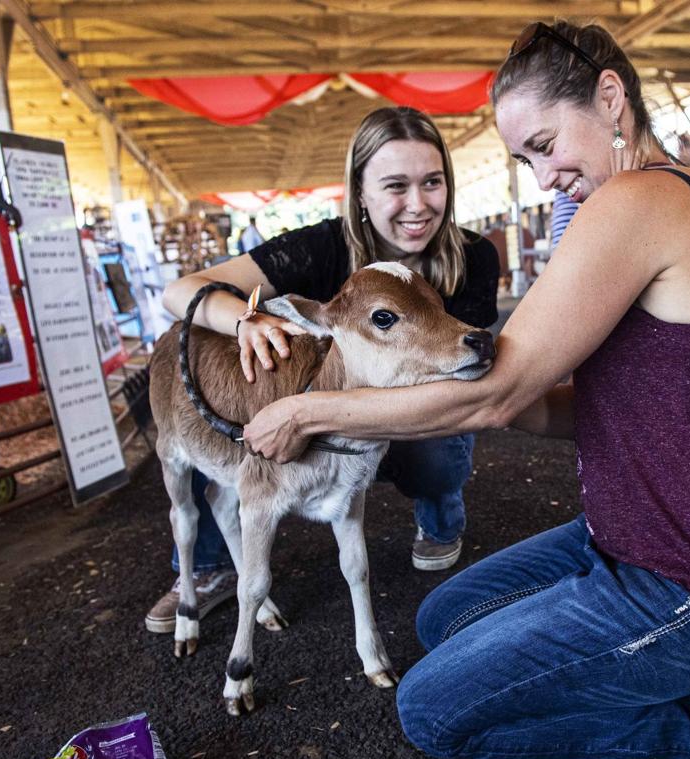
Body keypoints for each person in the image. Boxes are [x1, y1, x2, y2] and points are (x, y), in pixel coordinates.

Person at [240, 21, 690, 759]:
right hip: (631, 537)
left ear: (610, 97)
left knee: (432, 712)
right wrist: (468, 387)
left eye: (544, 145)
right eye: (523, 158)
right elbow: (571, 408)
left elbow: (499, 390)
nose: (541, 177)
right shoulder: (647, 199)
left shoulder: (640, 200)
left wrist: (308, 411)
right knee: (443, 621)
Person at [143, 106, 499, 634]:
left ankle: (440, 514)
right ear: (360, 192)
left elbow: (468, 385)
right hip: (330, 405)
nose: (418, 205)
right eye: (395, 186)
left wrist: (305, 413)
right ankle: (210, 565)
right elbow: (181, 291)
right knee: (213, 418)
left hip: (421, 416)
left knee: (438, 454)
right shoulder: (321, 246)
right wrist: (243, 320)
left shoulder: (472, 256)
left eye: (433, 182)